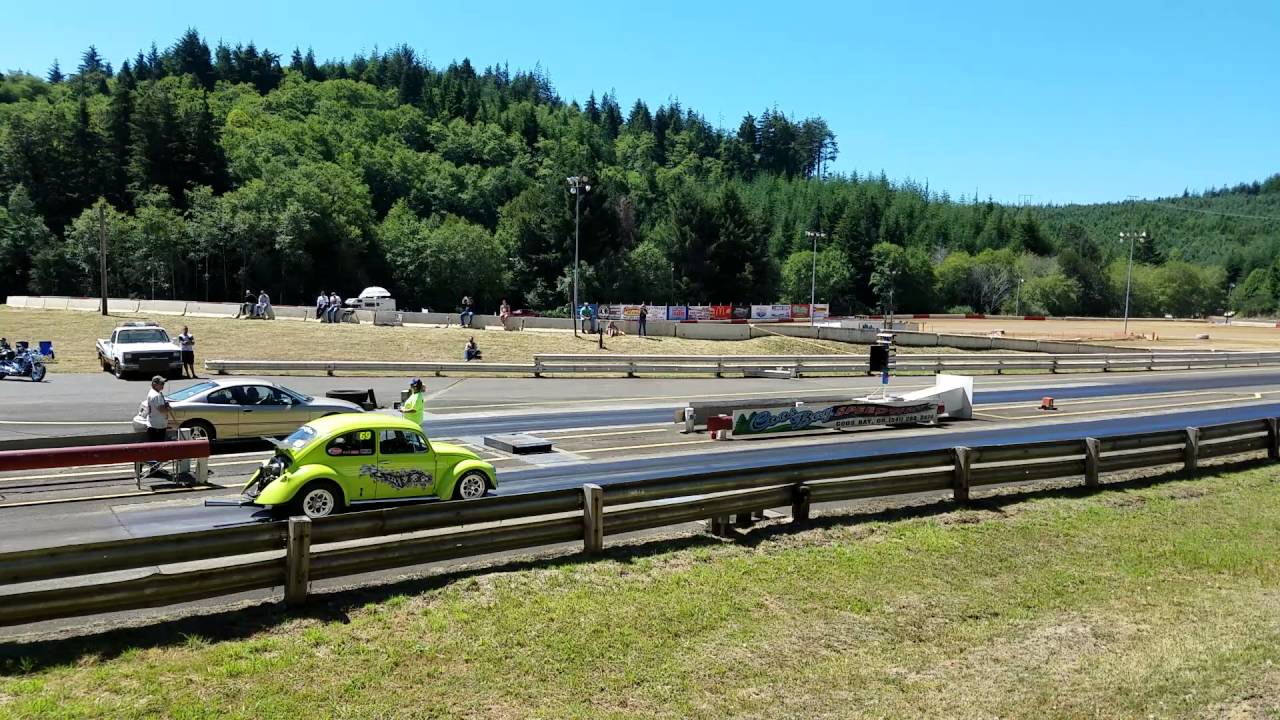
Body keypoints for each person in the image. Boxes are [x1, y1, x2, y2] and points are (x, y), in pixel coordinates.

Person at [134, 376, 174, 443]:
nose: (163, 385)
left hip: (153, 424)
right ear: (155, 384)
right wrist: (168, 408)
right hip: (157, 426)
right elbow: (161, 410)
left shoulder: (152, 392)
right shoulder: (156, 395)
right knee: (159, 446)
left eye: (163, 383)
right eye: (161, 383)